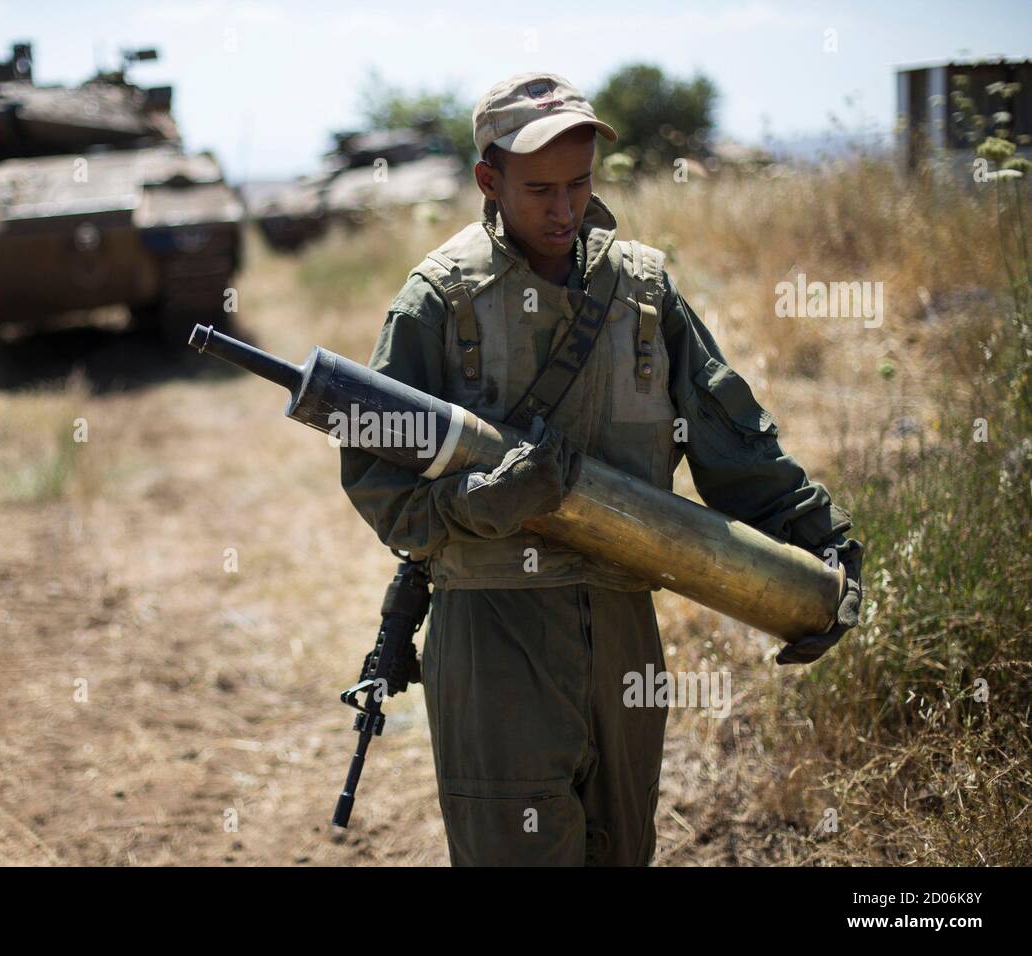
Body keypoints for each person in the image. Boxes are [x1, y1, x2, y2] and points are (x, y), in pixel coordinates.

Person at [339, 73, 863, 866]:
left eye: (579, 184)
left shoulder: (644, 290)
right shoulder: (436, 303)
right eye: (540, 189)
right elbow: (376, 480)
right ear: (489, 181)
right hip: (494, 633)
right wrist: (481, 505)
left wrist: (820, 542)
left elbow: (735, 444)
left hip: (625, 632)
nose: (564, 209)